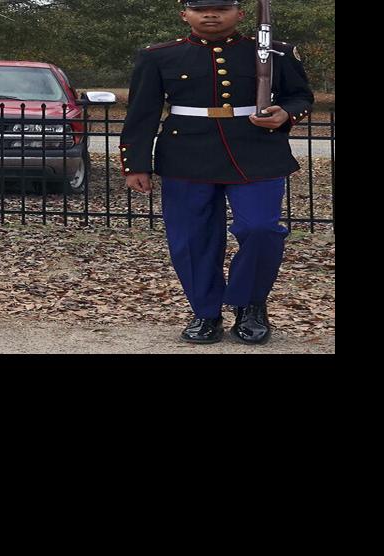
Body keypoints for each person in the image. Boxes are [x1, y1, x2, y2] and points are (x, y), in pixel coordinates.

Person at [120, 0, 313, 344]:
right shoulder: (158, 55)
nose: (211, 15)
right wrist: (136, 164)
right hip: (186, 154)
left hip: (256, 151)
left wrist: (285, 113)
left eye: (221, 8)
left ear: (240, 14)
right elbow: (142, 112)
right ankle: (205, 312)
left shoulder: (274, 52)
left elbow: (301, 97)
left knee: (260, 229)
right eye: (200, 9)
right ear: (185, 15)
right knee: (192, 239)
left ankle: (250, 304)